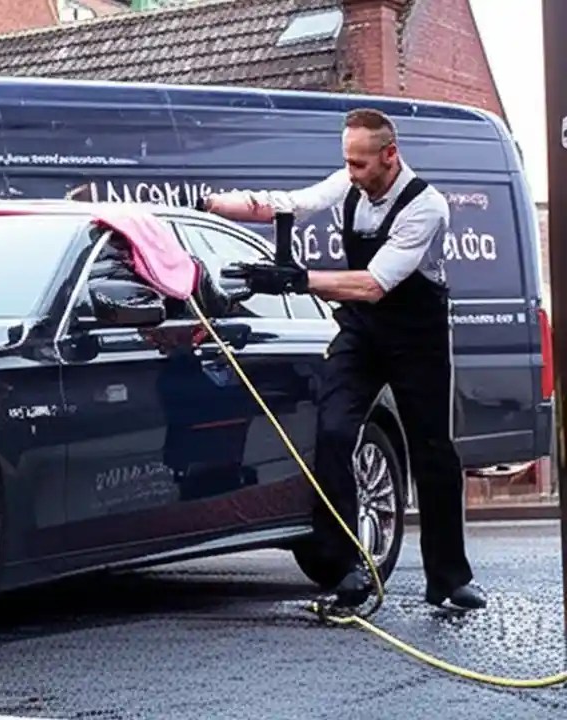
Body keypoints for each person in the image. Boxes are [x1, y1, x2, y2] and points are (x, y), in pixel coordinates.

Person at [198, 108, 486, 611]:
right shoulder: (350, 183)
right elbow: (288, 204)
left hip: (416, 336)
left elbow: (375, 283)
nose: (351, 173)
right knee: (332, 431)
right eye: (347, 163)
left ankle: (449, 577)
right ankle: (348, 568)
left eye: (359, 164)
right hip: (361, 331)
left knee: (432, 451)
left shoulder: (428, 207)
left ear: (389, 156)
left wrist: (298, 279)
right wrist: (215, 203)